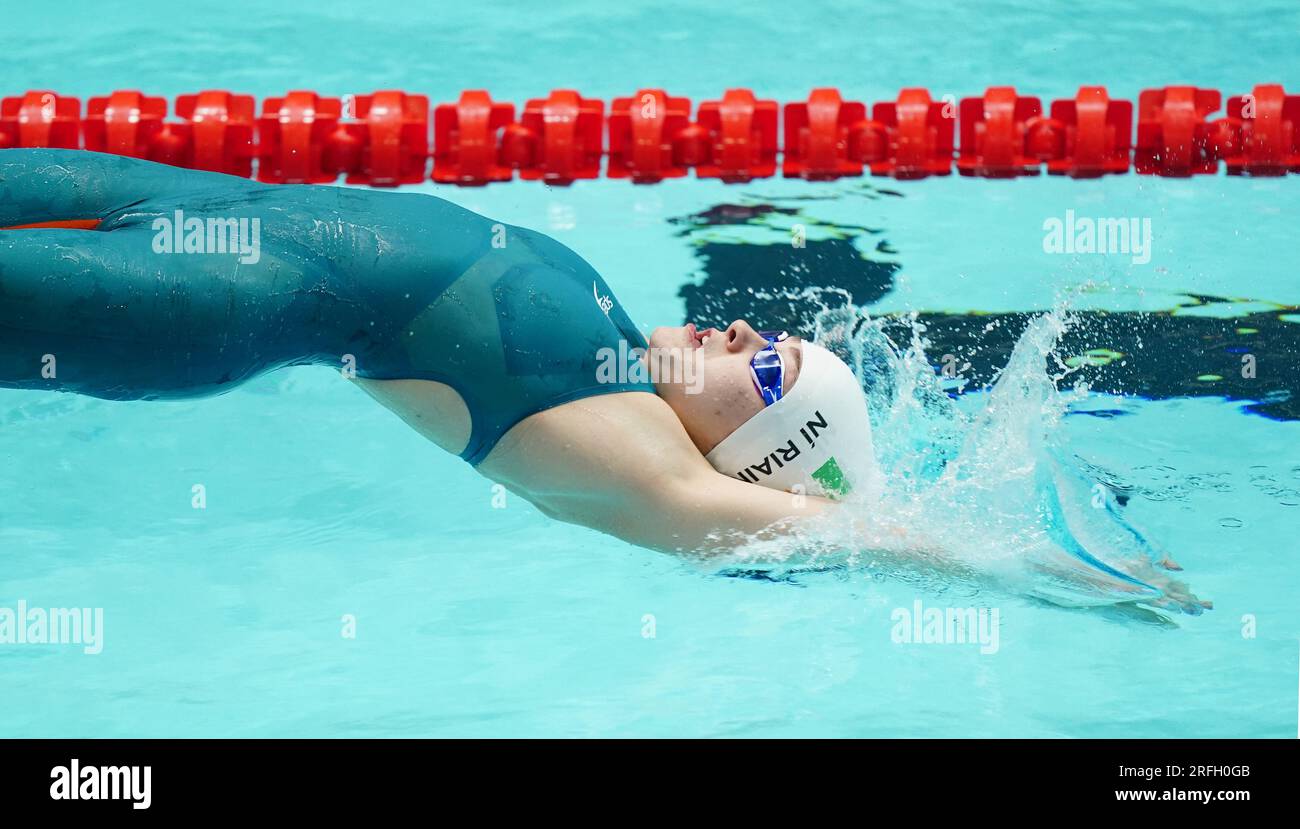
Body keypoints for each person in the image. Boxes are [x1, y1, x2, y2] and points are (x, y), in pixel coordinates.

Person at [0, 150, 1207, 613]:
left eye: (770, 368)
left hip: (206, 298)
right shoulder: (626, 354)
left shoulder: (649, 467)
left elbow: (865, 532)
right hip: (207, 210)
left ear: (766, 449)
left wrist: (1079, 577)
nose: (742, 328)